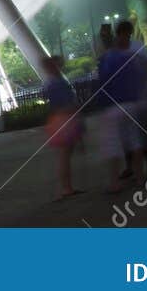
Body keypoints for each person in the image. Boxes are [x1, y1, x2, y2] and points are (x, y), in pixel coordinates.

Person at [99, 22, 147, 193]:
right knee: (135, 142)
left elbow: (102, 84)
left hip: (113, 107)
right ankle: (140, 178)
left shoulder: (106, 59)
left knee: (113, 145)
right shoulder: (131, 57)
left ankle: (114, 183)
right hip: (131, 104)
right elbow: (141, 77)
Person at [40, 55, 82, 199]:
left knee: (65, 156)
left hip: (60, 120)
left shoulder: (51, 82)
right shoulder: (56, 82)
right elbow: (62, 103)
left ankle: (67, 186)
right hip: (64, 119)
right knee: (65, 156)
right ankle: (66, 187)